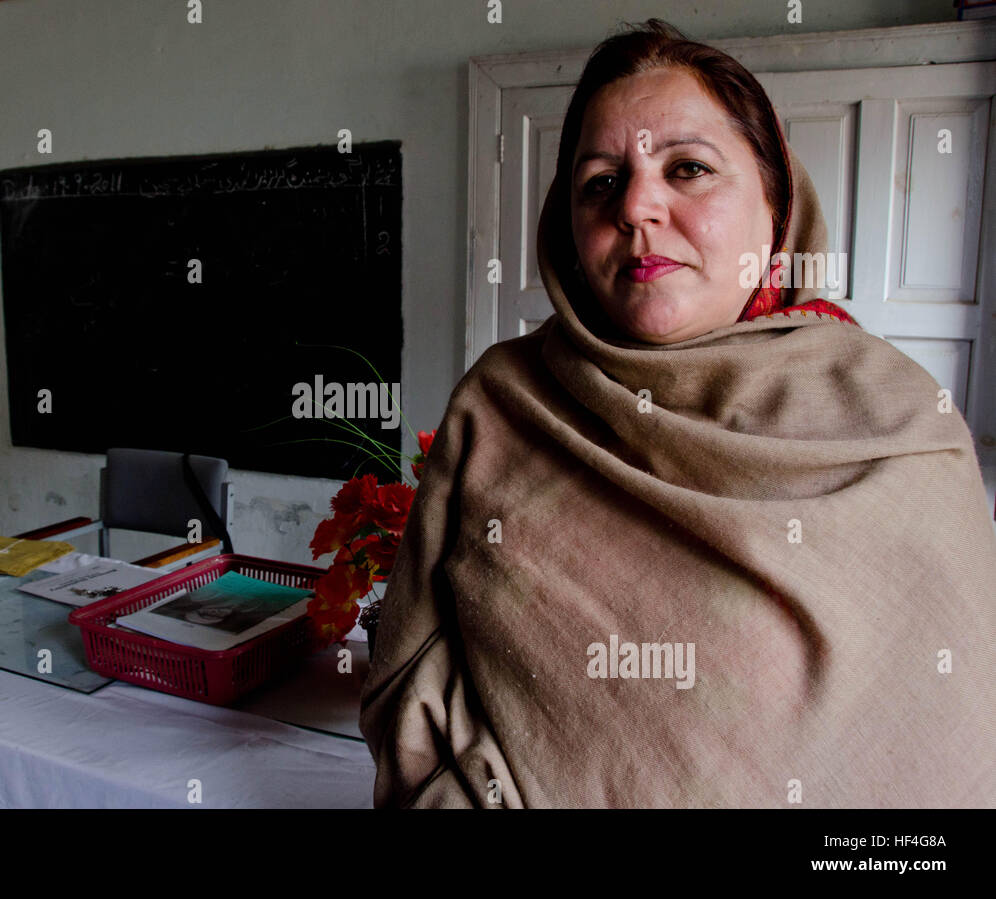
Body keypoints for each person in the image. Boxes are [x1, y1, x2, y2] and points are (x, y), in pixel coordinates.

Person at [358, 19, 996, 808]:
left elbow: (944, 738)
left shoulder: (899, 426)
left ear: (775, 203)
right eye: (600, 182)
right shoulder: (501, 406)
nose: (636, 207)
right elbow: (410, 684)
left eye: (687, 168)